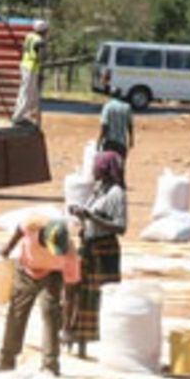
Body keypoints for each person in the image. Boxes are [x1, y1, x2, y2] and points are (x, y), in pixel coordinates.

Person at [0, 218, 80, 374]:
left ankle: (50, 365)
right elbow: (19, 229)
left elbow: (70, 293)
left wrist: (68, 326)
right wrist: (8, 247)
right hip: (26, 271)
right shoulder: (32, 225)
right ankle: (6, 360)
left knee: (51, 314)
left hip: (53, 275)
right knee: (17, 314)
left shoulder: (69, 253)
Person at [68, 151, 128, 358]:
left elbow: (120, 227)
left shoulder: (116, 194)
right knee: (83, 295)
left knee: (101, 297)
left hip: (104, 253)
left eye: (95, 166)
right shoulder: (99, 190)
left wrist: (92, 218)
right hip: (89, 248)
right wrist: (80, 212)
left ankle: (105, 343)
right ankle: (80, 341)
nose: (92, 170)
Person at [12, 19, 48, 127]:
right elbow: (42, 57)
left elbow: (24, 49)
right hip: (31, 68)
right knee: (27, 94)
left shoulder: (29, 36)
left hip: (25, 66)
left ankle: (24, 115)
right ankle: (18, 117)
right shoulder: (40, 41)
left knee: (28, 93)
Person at [98, 91, 135, 158]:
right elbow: (130, 125)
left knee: (108, 165)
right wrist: (131, 139)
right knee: (120, 165)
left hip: (109, 142)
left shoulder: (107, 106)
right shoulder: (127, 107)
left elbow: (104, 126)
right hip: (121, 143)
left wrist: (99, 142)